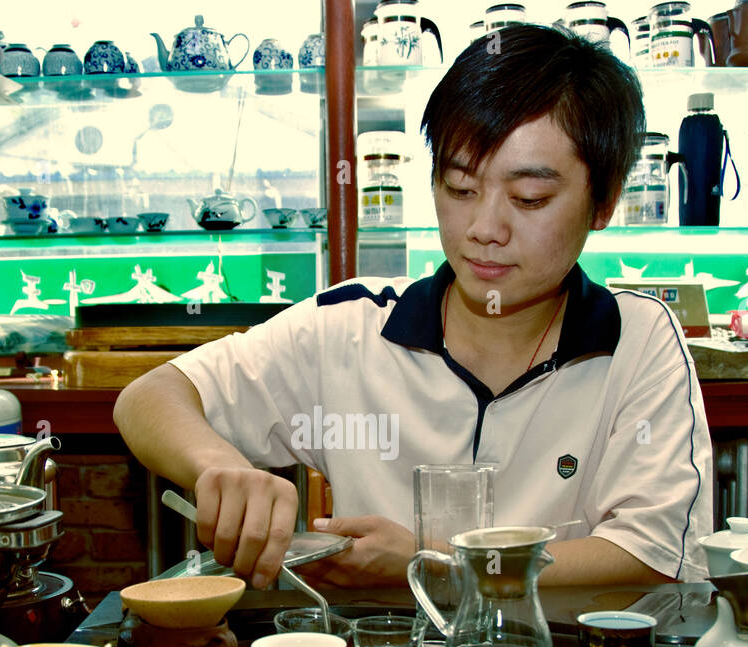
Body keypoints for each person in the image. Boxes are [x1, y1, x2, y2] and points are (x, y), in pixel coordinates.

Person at [116, 25, 713, 590]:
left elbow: (652, 554)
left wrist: (438, 566)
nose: (484, 228)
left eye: (530, 199)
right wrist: (221, 466)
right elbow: (148, 398)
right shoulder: (353, 328)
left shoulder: (637, 339)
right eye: (460, 188)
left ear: (603, 203)